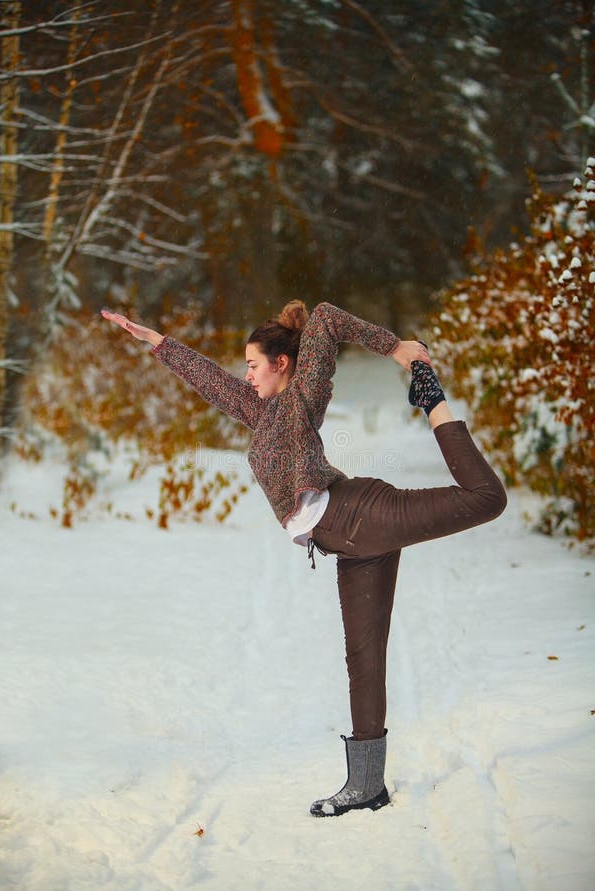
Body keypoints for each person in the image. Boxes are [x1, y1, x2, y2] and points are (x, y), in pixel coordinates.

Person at [101, 300, 506, 818]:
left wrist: (398, 349)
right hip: (348, 543)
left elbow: (326, 317)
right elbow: (210, 381)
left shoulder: (301, 396)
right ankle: (366, 786)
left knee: (485, 498)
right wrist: (155, 341)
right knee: (363, 657)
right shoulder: (261, 410)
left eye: (253, 365)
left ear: (282, 364)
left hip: (363, 514)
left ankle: (431, 398)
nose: (246, 375)